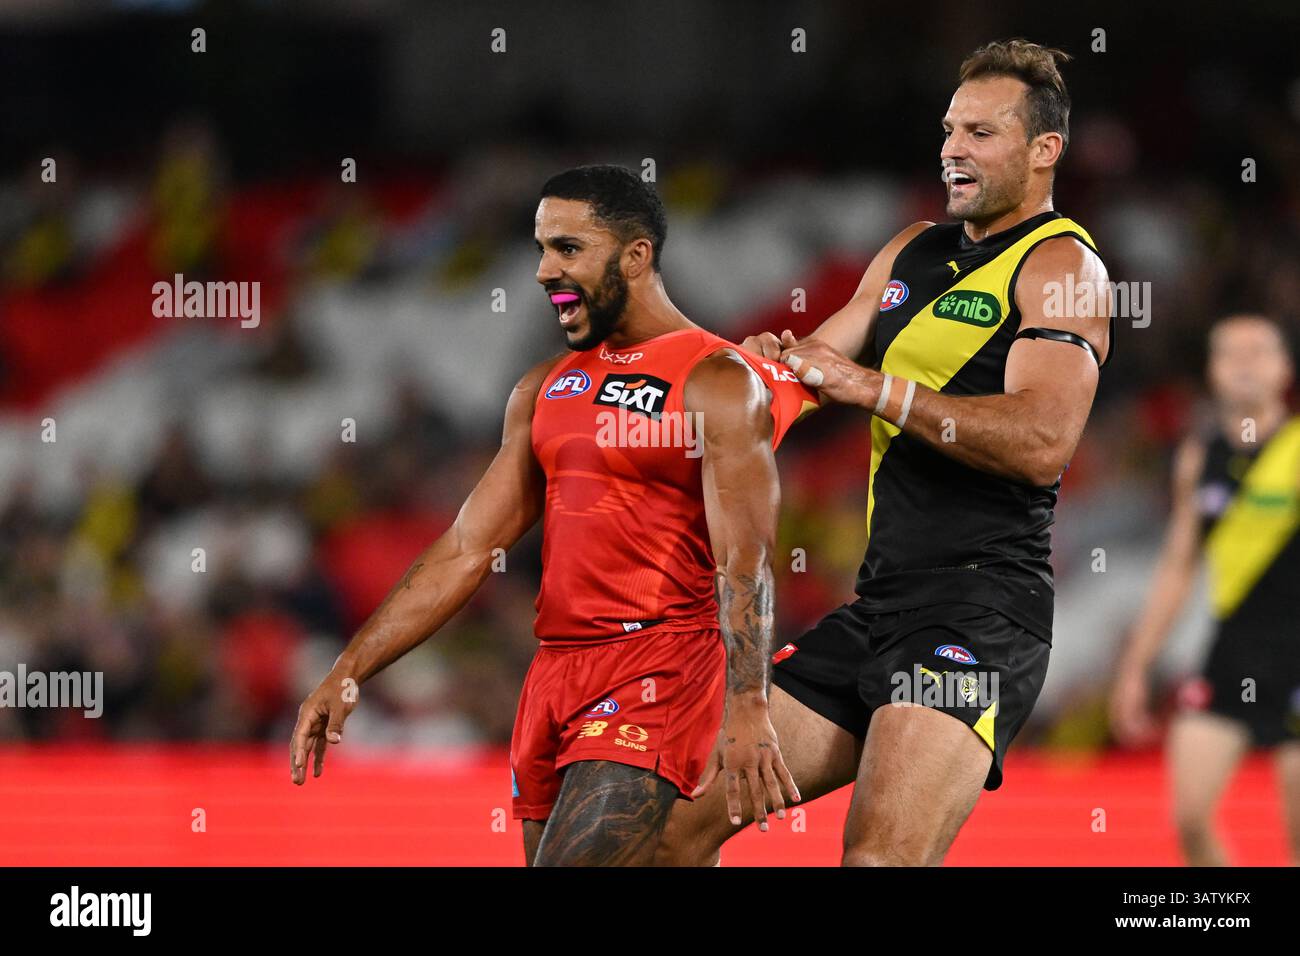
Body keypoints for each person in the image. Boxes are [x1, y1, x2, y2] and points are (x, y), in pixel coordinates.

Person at [658, 39, 1112, 866]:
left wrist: (873, 389)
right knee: (675, 831)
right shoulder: (911, 250)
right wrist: (755, 374)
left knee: (876, 859)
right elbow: (801, 373)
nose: (952, 149)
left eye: (980, 132)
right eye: (948, 129)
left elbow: (1044, 444)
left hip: (979, 612)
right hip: (877, 606)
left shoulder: (1063, 267)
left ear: (1045, 150)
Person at [290, 165, 816, 866]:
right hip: (553, 679)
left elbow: (744, 560)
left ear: (636, 255)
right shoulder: (545, 388)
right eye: (540, 248)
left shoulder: (717, 381)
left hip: (657, 668)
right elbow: (467, 548)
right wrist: (348, 668)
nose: (543, 271)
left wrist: (749, 705)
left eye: (567, 249)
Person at [1112, 315, 1300, 865]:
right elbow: (1177, 567)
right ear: (1211, 371)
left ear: (1286, 368)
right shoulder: (1201, 455)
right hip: (1231, 654)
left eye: (1259, 350)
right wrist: (1135, 666)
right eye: (1228, 352)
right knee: (1190, 819)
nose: (1243, 361)